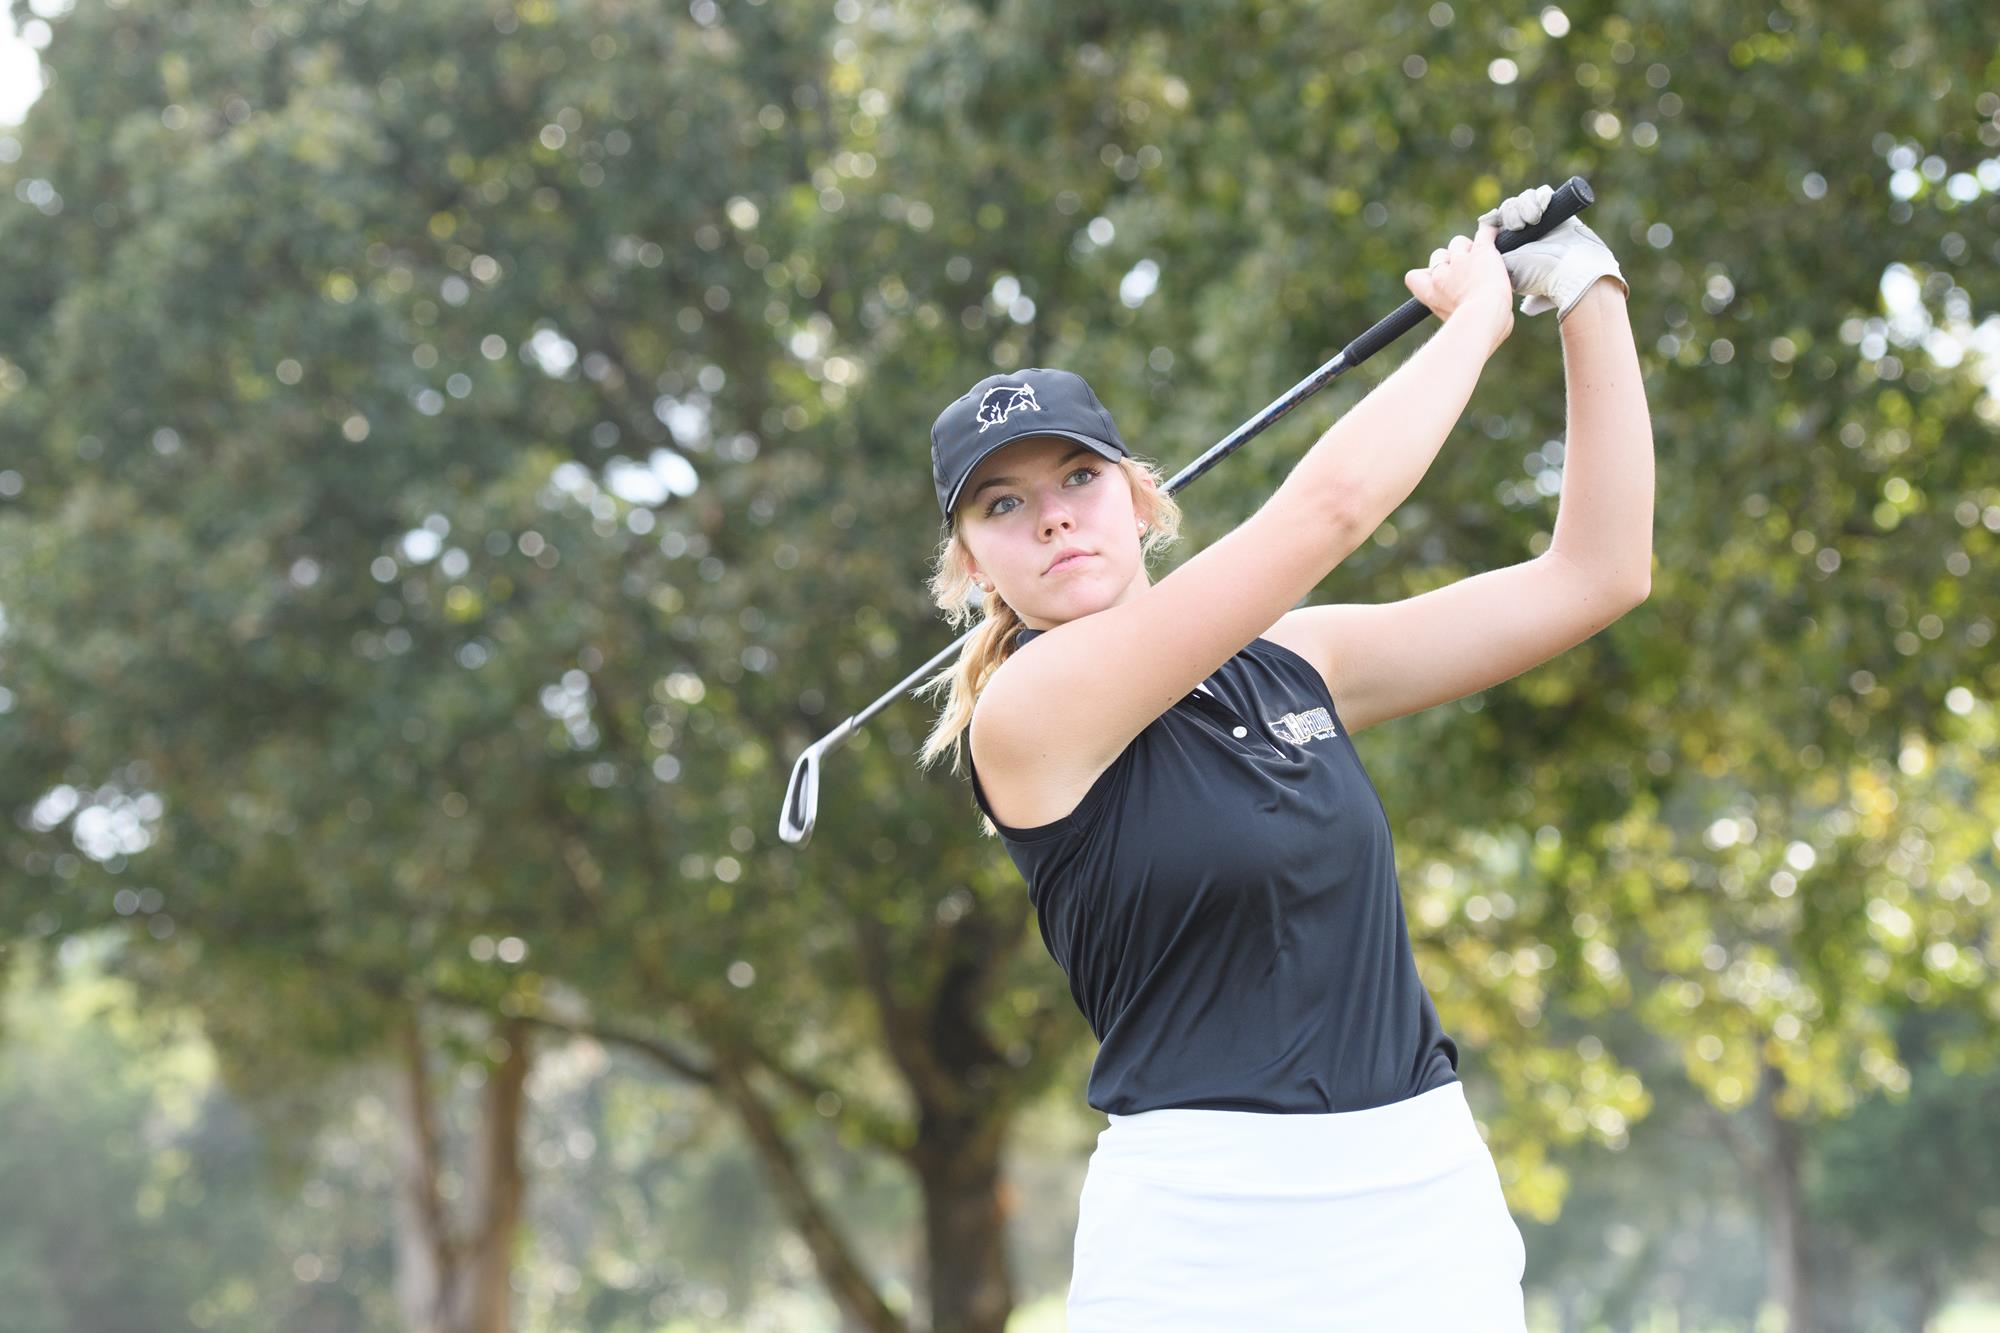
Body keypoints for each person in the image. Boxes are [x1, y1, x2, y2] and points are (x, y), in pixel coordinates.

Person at [915, 185, 1652, 1331]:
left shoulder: (1294, 664)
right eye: (1003, 505)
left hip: (1419, 1195)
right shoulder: (1027, 712)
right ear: (969, 568)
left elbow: (1597, 574)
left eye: (1077, 478)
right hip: (1205, 1230)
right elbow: (1328, 511)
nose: (1053, 517)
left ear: (1138, 495)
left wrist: (1580, 288)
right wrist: (1470, 322)